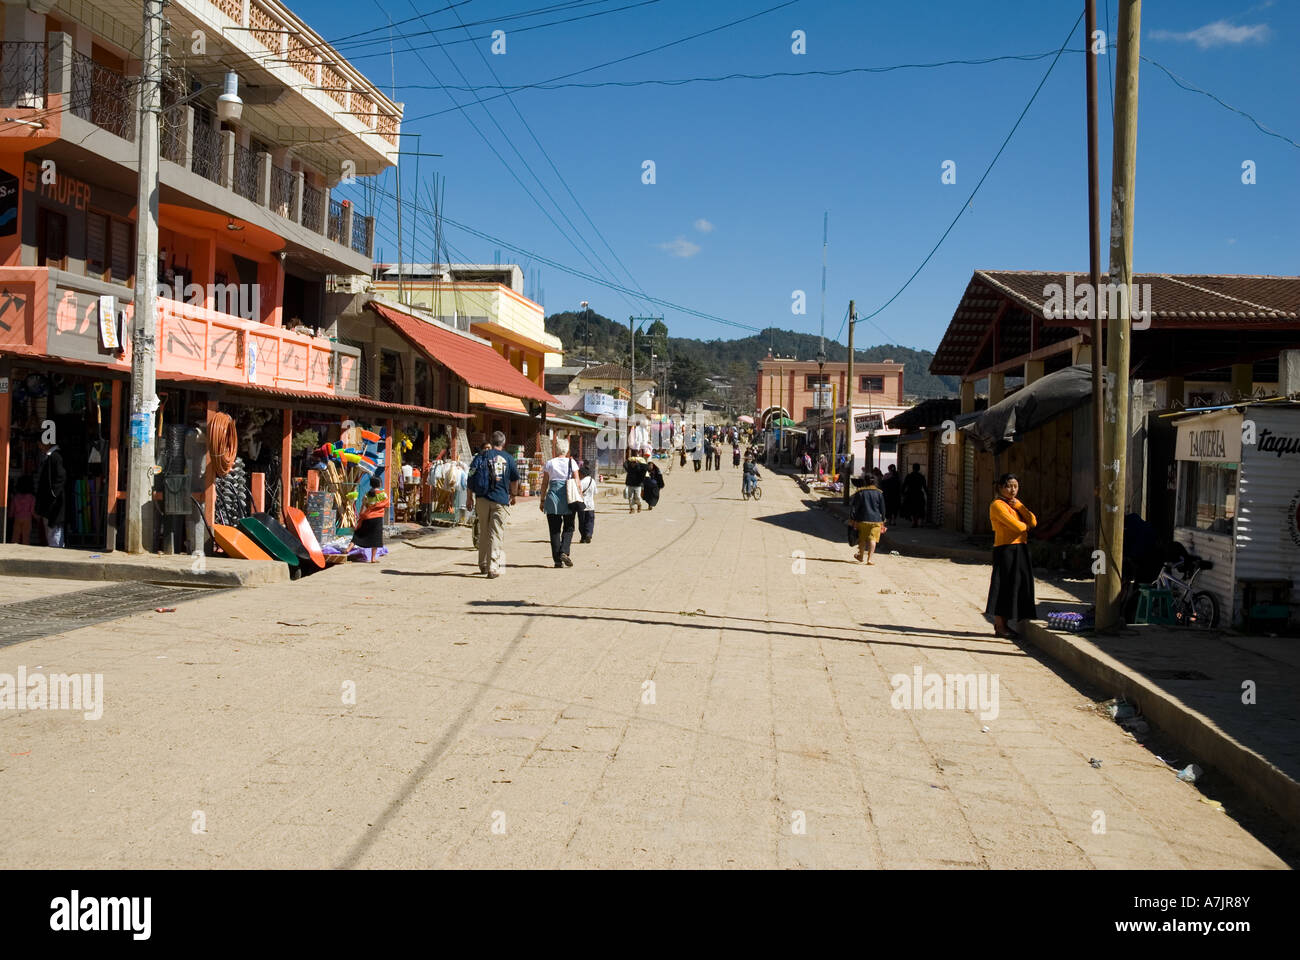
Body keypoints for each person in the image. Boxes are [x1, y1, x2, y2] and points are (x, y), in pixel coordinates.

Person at [986, 473, 1038, 638]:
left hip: (1020, 548)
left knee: (1016, 586)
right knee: (1004, 586)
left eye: (1015, 486)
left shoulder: (1015, 505)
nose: (1013, 490)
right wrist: (1026, 526)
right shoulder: (997, 505)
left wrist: (1020, 506)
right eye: (1009, 486)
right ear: (1000, 488)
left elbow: (1033, 521)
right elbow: (1017, 527)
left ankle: (1006, 624)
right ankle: (1000, 626)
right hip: (1005, 549)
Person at [466, 431, 519, 578]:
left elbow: (470, 477)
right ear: (503, 442)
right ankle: (493, 567)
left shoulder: (481, 456)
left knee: (483, 531)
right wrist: (513, 495)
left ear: (491, 441)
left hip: (482, 499)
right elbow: (515, 479)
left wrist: (469, 498)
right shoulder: (508, 458)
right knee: (496, 533)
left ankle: (482, 564)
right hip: (500, 500)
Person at [541, 438, 579, 568]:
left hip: (552, 498)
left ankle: (557, 560)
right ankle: (564, 551)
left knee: (554, 530)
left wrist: (542, 500)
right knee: (569, 526)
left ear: (555, 449)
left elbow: (544, 483)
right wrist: (579, 496)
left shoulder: (550, 463)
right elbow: (577, 482)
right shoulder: (572, 462)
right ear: (567, 450)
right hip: (568, 497)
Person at [35, 437, 66, 548]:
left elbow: (61, 477)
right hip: (50, 501)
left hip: (53, 502)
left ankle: (56, 551)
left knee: (54, 529)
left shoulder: (55, 457)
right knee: (51, 528)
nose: (39, 447)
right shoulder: (50, 457)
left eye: (40, 444)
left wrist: (53, 493)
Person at [849, 475, 887, 564]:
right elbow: (883, 509)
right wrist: (883, 520)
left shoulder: (860, 492)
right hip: (876, 520)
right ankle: (869, 559)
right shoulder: (879, 493)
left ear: (865, 482)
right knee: (873, 539)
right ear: (874, 482)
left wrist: (853, 519)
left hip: (863, 519)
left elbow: (855, 508)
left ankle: (861, 556)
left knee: (862, 539)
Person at [8, 475, 36, 546]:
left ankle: (12, 551)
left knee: (15, 537)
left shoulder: (15, 497)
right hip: (27, 519)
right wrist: (37, 518)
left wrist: (10, 516)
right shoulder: (32, 497)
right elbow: (32, 511)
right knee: (26, 538)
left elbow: (12, 510)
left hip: (17, 518)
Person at [901, 463, 928, 528]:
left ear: (912, 468)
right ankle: (920, 523)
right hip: (919, 494)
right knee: (920, 508)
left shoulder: (909, 476)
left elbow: (904, 485)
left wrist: (903, 493)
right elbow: (924, 487)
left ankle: (914, 522)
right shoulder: (921, 477)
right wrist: (927, 493)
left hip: (910, 494)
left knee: (912, 508)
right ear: (919, 469)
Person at [576, 464, 597, 543]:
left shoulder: (581, 482)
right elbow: (595, 492)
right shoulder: (593, 481)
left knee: (582, 521)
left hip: (582, 505)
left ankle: (583, 537)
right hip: (591, 505)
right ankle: (589, 534)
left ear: (582, 474)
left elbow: (577, 492)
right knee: (590, 521)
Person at [624, 447, 649, 512]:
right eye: (632, 462)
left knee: (637, 497)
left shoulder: (640, 469)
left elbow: (646, 467)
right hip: (630, 484)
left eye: (634, 462)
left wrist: (639, 460)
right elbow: (625, 464)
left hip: (638, 485)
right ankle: (632, 508)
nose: (632, 464)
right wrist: (630, 459)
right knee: (630, 497)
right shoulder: (629, 468)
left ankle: (639, 505)